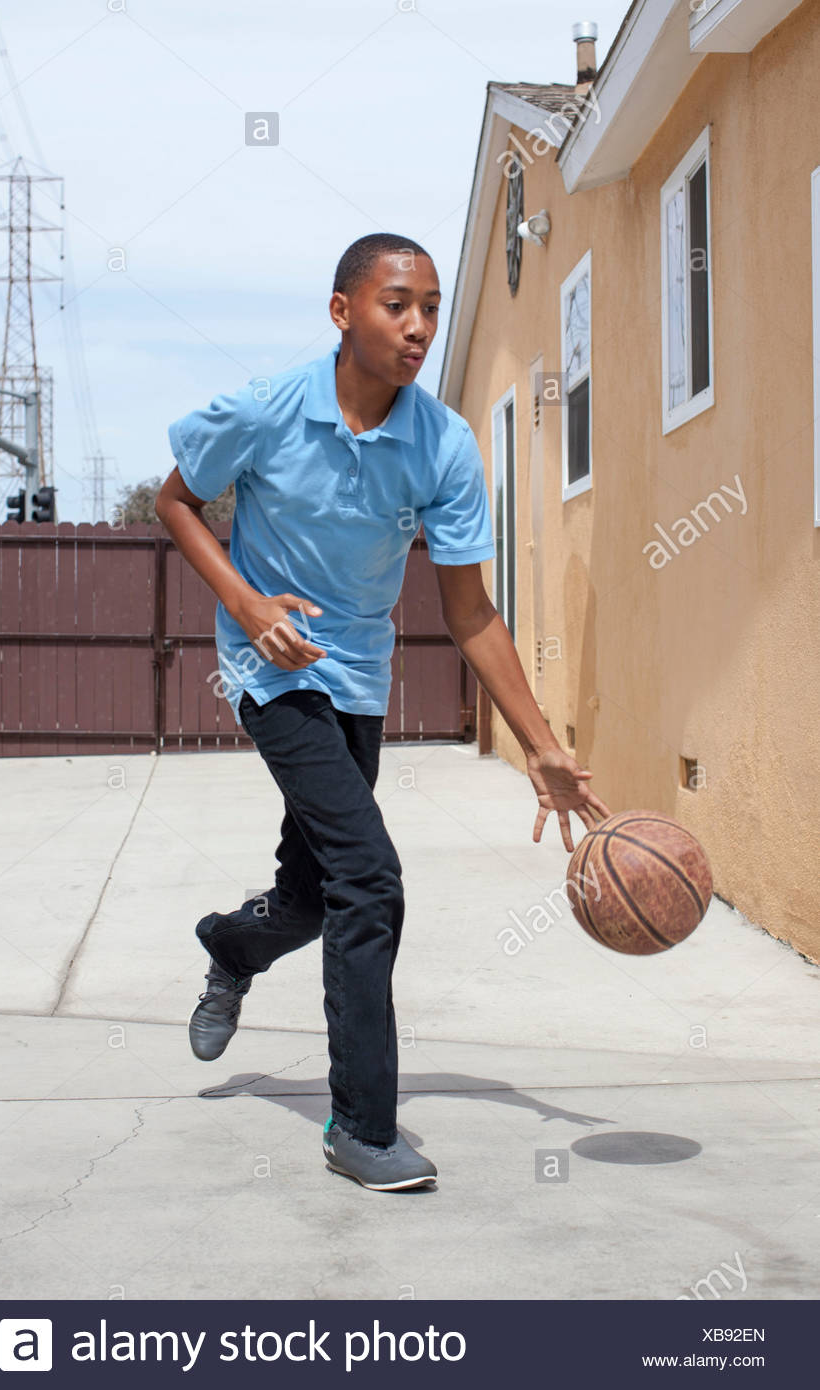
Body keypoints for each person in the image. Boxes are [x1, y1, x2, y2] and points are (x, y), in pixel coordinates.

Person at [156, 232, 611, 1192]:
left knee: (315, 894)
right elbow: (177, 500)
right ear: (342, 312)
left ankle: (231, 945)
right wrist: (247, 606)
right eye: (397, 304)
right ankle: (361, 1127)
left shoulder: (442, 443)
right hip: (270, 672)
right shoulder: (268, 410)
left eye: (432, 308)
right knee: (371, 880)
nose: (418, 327)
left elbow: (470, 610)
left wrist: (541, 747)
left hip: (359, 675)